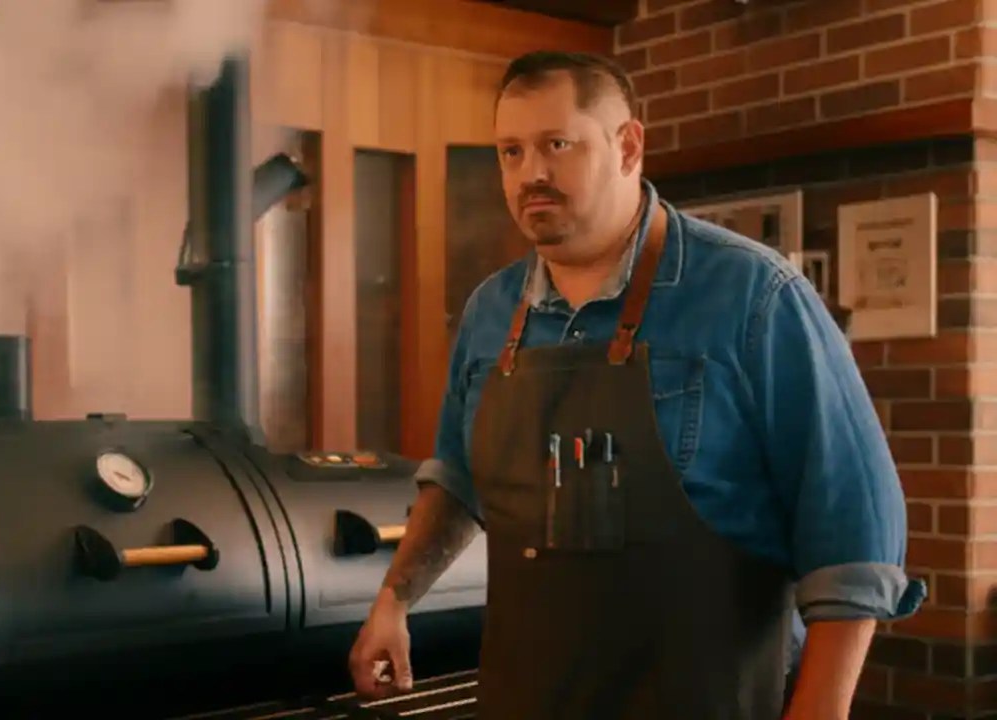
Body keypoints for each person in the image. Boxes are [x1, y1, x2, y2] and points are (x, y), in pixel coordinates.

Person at [346, 50, 926, 720]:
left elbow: (854, 533)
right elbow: (456, 479)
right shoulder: (488, 313)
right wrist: (394, 600)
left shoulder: (754, 296)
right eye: (510, 151)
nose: (531, 172)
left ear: (628, 146)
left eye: (556, 144)